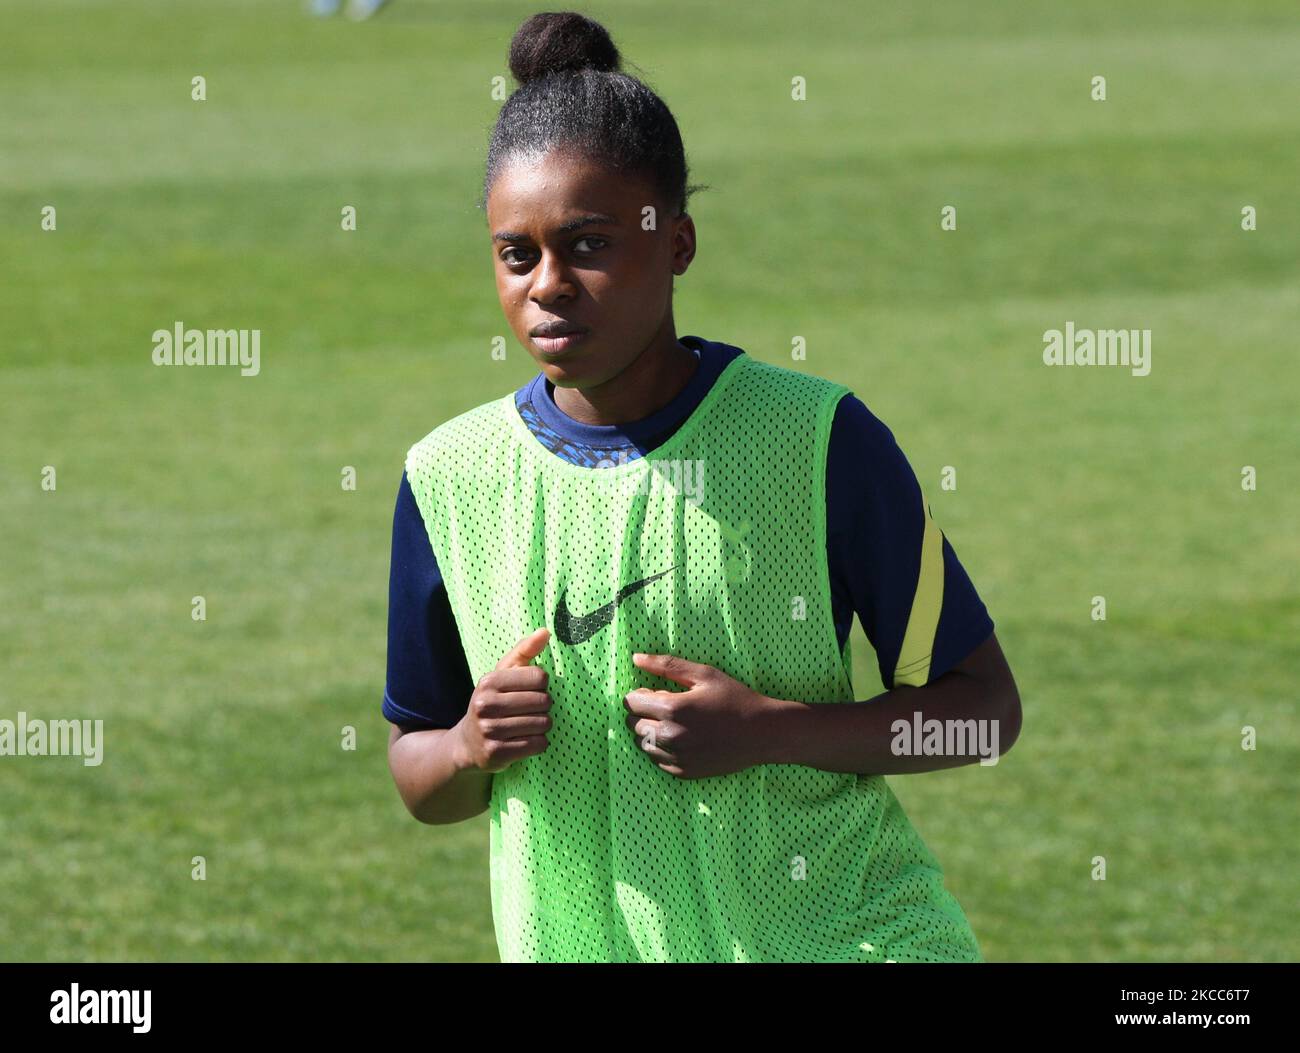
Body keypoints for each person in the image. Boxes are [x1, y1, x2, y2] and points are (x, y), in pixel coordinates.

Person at [383, 11, 1022, 963]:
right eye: (518, 254)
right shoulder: (446, 478)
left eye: (589, 245)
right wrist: (471, 746)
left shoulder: (818, 439)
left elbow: (981, 714)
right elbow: (417, 771)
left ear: (677, 242)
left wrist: (768, 729)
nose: (548, 284)